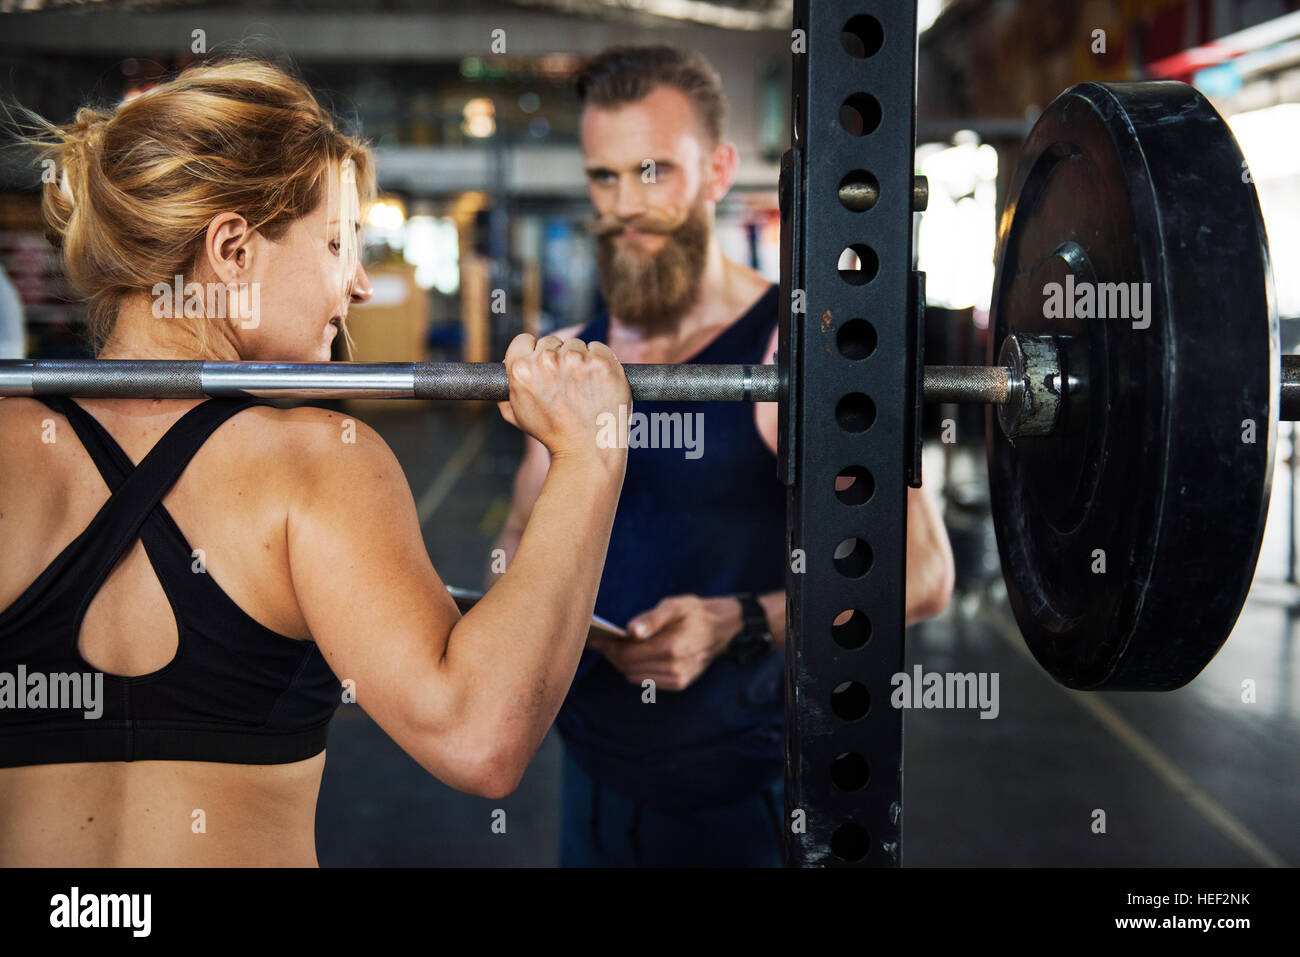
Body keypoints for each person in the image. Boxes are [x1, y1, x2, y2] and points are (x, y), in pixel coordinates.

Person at [0, 59, 630, 866]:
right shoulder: (317, 465)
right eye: (338, 243)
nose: (359, 284)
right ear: (232, 249)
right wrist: (590, 456)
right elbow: (481, 735)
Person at [491, 45, 955, 867]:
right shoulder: (573, 353)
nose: (626, 204)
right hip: (590, 771)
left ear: (719, 170)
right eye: (605, 177)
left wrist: (737, 622)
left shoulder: (800, 350)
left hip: (737, 792)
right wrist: (506, 591)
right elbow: (522, 527)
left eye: (653, 170)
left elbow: (921, 571)